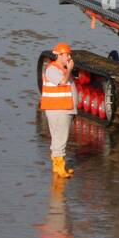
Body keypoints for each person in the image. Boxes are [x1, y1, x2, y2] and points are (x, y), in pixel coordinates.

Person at [40, 42, 77, 177]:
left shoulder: (61, 69)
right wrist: (70, 69)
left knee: (58, 138)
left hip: (63, 108)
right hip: (58, 109)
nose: (69, 57)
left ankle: (57, 165)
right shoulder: (52, 69)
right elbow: (62, 82)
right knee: (60, 138)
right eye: (67, 54)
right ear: (60, 55)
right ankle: (60, 166)